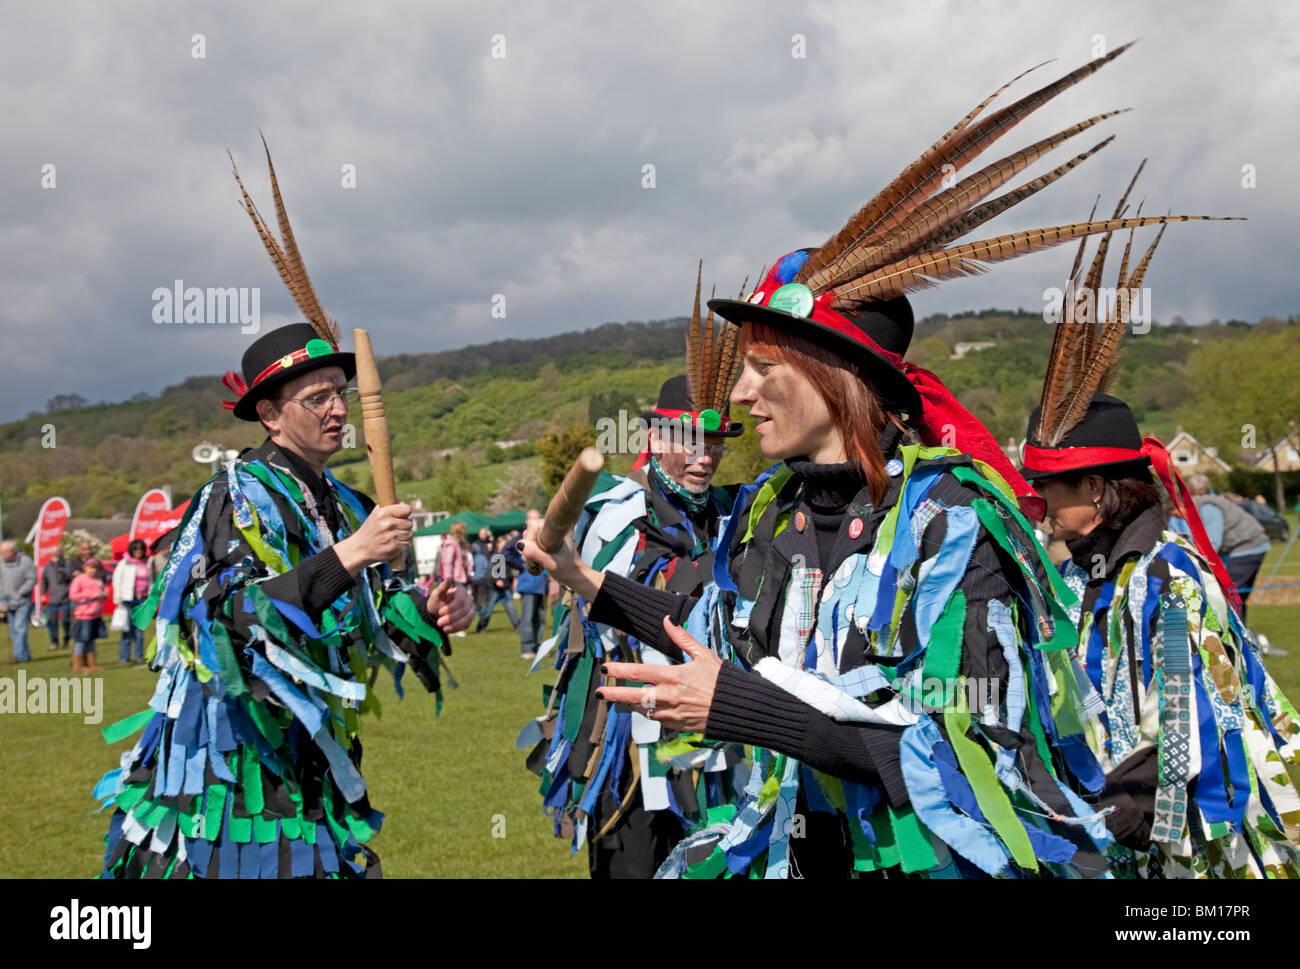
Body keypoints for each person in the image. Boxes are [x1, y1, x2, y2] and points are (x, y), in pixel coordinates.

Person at [521, 47, 1193, 878]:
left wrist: (742, 706)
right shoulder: (777, 509)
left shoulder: (950, 523)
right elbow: (709, 615)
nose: (740, 394)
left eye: (767, 368)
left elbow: (968, 746)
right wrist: (587, 580)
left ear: (837, 380)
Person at [93, 146, 473, 879]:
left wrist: (426, 609)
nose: (337, 409)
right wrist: (351, 554)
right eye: (316, 398)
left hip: (312, 764)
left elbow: (368, 619)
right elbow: (225, 623)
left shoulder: (348, 501)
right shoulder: (235, 495)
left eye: (341, 392)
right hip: (230, 773)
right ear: (268, 414)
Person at [1019, 209, 1300, 877]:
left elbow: (1193, 721)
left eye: (1052, 486)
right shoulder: (1105, 573)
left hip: (1203, 843)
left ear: (1101, 488)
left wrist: (1124, 814)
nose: (1040, 500)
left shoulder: (1165, 576)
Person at [520, 270, 750, 878]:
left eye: (716, 443)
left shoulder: (730, 509)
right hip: (633, 744)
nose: (705, 457)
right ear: (655, 435)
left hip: (715, 736)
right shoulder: (619, 507)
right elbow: (655, 600)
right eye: (690, 441)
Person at [1185, 474, 1271, 618]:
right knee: (1236, 598)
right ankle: (1242, 632)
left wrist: (1197, 560)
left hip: (1247, 547)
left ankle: (1239, 636)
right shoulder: (1213, 501)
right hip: (1250, 546)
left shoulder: (1207, 505)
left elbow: (1214, 542)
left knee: (1230, 597)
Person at [111, 538, 154, 664]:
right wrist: (118, 599)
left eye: (141, 549)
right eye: (136, 549)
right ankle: (123, 657)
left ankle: (138, 656)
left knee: (139, 630)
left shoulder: (147, 563)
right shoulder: (125, 563)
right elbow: (117, 580)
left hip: (142, 600)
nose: (138, 551)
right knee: (127, 630)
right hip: (128, 599)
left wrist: (151, 597)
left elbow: (151, 581)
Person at [0, 540, 38, 664]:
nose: (3, 556)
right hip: (8, 602)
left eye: (4, 553)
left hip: (23, 602)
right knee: (13, 631)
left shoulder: (25, 561)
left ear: (13, 552)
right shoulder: (2, 564)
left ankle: (17, 656)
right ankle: (25, 655)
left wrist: (20, 592)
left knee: (20, 628)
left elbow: (32, 579)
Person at [68, 558, 108, 673]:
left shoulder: (99, 579)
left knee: (91, 640)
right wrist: (90, 595)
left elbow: (102, 590)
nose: (93, 570)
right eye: (90, 567)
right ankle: (77, 666)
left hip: (96, 615)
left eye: (95, 568)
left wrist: (104, 594)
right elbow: (73, 595)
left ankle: (92, 664)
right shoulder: (79, 579)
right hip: (83, 615)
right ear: (85, 568)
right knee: (81, 640)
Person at [475, 534, 520, 633]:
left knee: (511, 608)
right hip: (494, 588)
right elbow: (490, 572)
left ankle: (518, 627)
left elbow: (510, 572)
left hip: (505, 588)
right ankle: (481, 627)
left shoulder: (508, 556)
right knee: (488, 609)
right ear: (498, 545)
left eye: (505, 545)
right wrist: (497, 581)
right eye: (502, 545)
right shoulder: (495, 556)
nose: (504, 547)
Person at [440, 521, 473, 637]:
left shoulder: (461, 543)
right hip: (454, 578)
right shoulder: (451, 543)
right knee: (454, 604)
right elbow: (447, 562)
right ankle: (453, 628)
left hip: (462, 577)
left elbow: (465, 561)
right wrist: (448, 580)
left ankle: (456, 627)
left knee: (459, 603)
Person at [43, 548, 74, 650]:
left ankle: (66, 639)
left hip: (66, 597)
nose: (56, 555)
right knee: (53, 621)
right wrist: (43, 594)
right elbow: (44, 581)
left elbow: (71, 577)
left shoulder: (68, 564)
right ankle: (54, 642)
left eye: (58, 552)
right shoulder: (48, 566)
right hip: (53, 599)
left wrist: (62, 569)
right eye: (54, 552)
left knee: (65, 621)